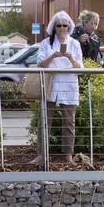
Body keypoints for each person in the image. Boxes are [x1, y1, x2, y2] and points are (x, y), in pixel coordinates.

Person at [34, 10, 84, 161]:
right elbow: (39, 65)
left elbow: (80, 68)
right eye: (59, 25)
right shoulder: (45, 43)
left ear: (69, 27)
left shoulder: (74, 44)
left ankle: (68, 155)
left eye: (65, 25)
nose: (62, 28)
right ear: (54, 27)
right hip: (50, 86)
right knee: (44, 121)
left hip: (69, 86)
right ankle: (41, 155)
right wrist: (53, 56)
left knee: (69, 122)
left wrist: (71, 59)